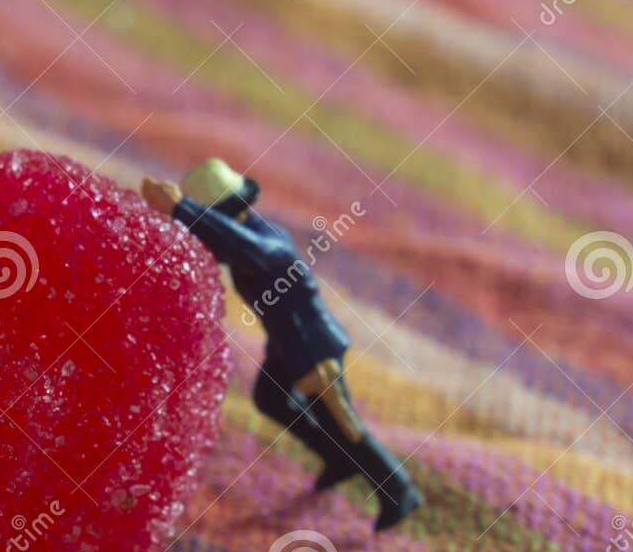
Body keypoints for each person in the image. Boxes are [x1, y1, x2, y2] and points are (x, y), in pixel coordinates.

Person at [141, 160, 423, 531]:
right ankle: (336, 460)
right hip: (285, 345)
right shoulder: (246, 242)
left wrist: (181, 208)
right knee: (271, 399)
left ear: (224, 216)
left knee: (344, 424)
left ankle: (399, 489)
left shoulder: (268, 249)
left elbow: (239, 245)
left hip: (312, 351)